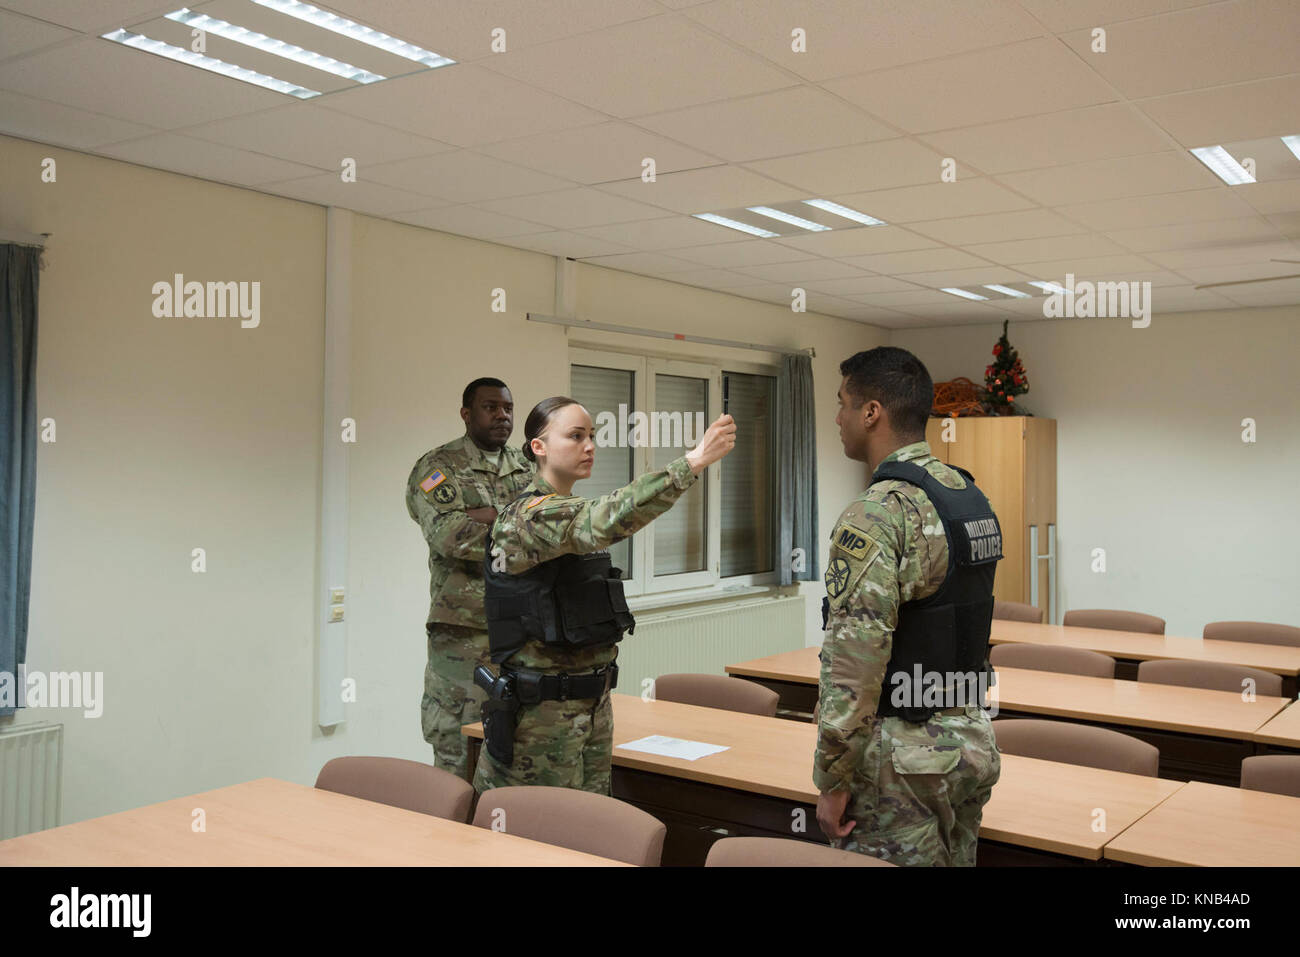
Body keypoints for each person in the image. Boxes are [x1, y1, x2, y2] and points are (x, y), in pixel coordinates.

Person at [471, 396, 736, 795]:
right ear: (539, 447)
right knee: (540, 840)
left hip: (592, 705)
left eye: (592, 436)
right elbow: (601, 520)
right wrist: (692, 461)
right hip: (540, 718)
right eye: (575, 436)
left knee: (591, 834)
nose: (589, 446)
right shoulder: (528, 517)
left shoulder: (569, 510)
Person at [815, 346, 1002, 866]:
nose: (837, 418)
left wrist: (832, 778)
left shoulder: (877, 514)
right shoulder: (967, 496)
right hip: (970, 737)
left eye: (842, 403)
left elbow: (855, 667)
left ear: (871, 412)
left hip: (907, 758)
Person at [405, 378, 535, 779]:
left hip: (523, 632)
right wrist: (516, 521)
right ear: (467, 413)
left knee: (516, 756)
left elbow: (554, 526)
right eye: (490, 407)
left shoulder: (527, 464)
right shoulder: (438, 468)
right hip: (463, 637)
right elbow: (451, 537)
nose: (502, 416)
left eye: (508, 408)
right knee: (457, 755)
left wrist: (488, 516)